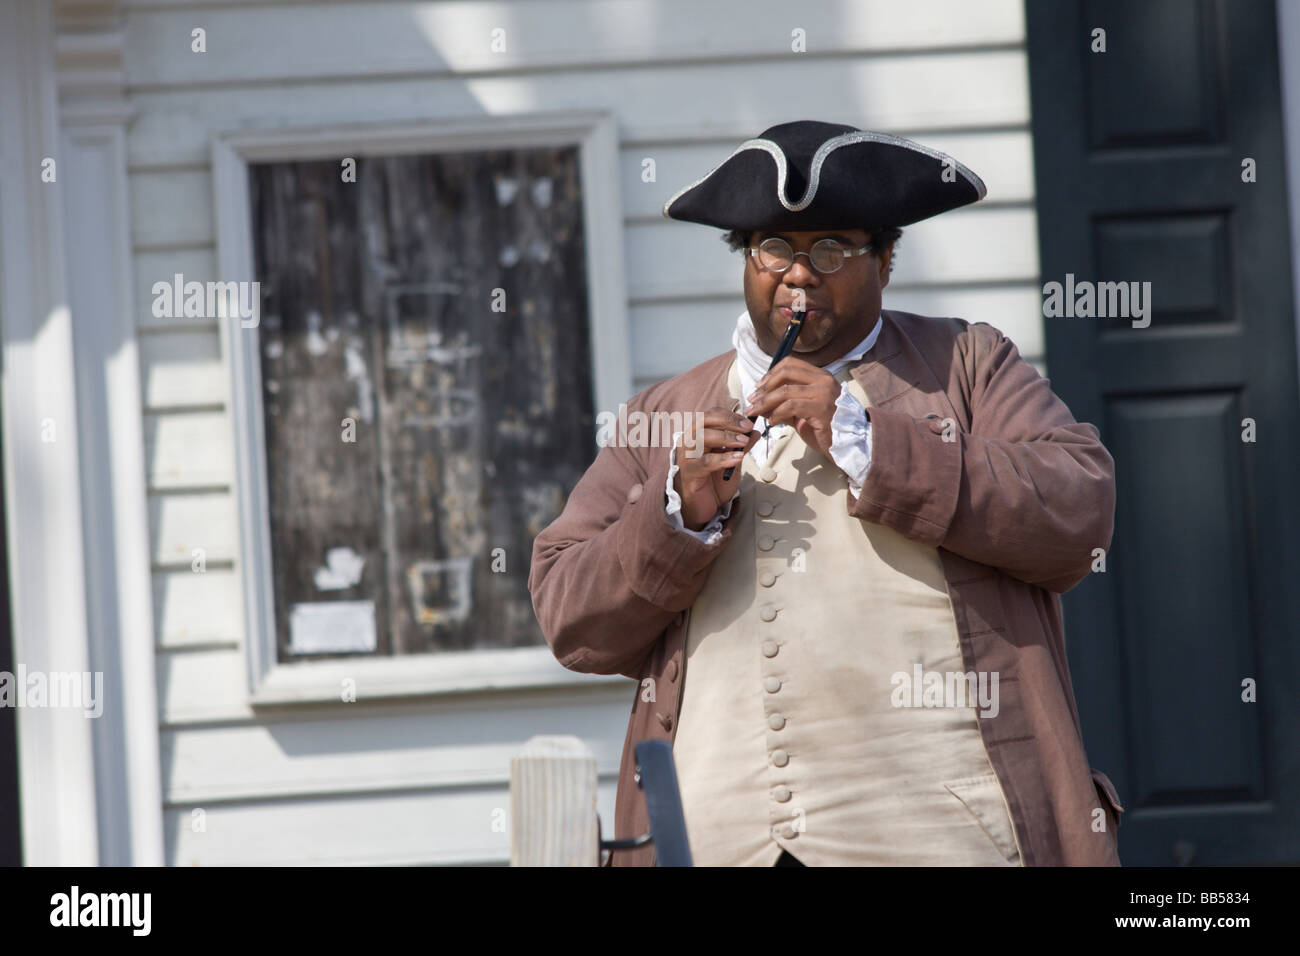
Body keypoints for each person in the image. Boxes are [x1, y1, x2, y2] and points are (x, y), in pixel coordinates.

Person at [528, 120, 1124, 866]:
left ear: (886, 260)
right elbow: (567, 612)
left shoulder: (967, 366)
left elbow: (1078, 510)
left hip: (946, 840)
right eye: (773, 249)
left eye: (833, 250)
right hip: (719, 840)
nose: (798, 275)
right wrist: (674, 515)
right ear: (746, 261)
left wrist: (869, 441)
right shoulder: (661, 415)